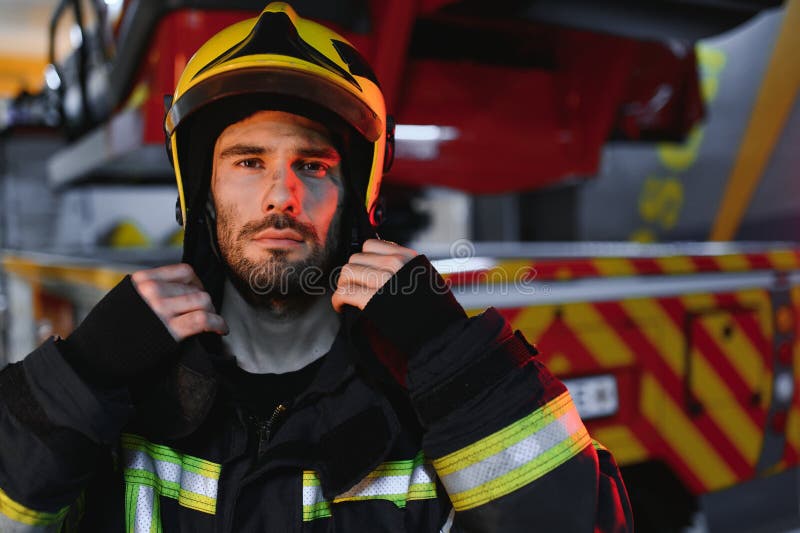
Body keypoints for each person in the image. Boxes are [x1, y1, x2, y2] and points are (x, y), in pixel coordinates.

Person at [0, 2, 633, 531]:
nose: (282, 195)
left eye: (314, 165)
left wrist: (457, 359)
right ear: (201, 192)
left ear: (358, 201)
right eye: (248, 162)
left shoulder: (426, 412)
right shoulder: (119, 403)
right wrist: (79, 376)